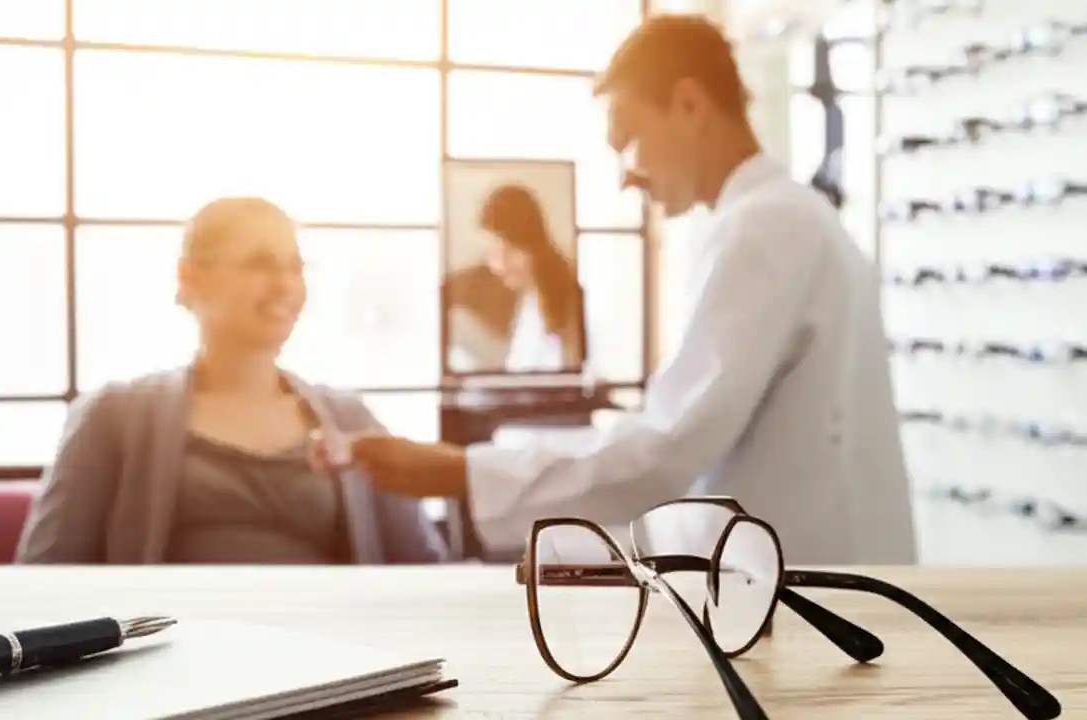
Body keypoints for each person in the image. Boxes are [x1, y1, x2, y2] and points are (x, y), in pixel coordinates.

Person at [325, 15, 916, 566]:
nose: (625, 174)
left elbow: (664, 450)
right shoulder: (793, 218)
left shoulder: (760, 229)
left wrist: (460, 471)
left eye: (628, 138)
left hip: (804, 589)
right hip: (820, 573)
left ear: (689, 103)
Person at [15, 197, 447, 564]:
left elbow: (422, 568)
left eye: (295, 267)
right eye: (260, 264)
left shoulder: (350, 419)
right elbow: (46, 577)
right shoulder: (113, 416)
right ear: (190, 277)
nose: (285, 285)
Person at [479, 183, 585, 373]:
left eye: (510, 251)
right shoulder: (528, 299)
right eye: (493, 253)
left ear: (533, 244)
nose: (499, 266)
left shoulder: (567, 302)